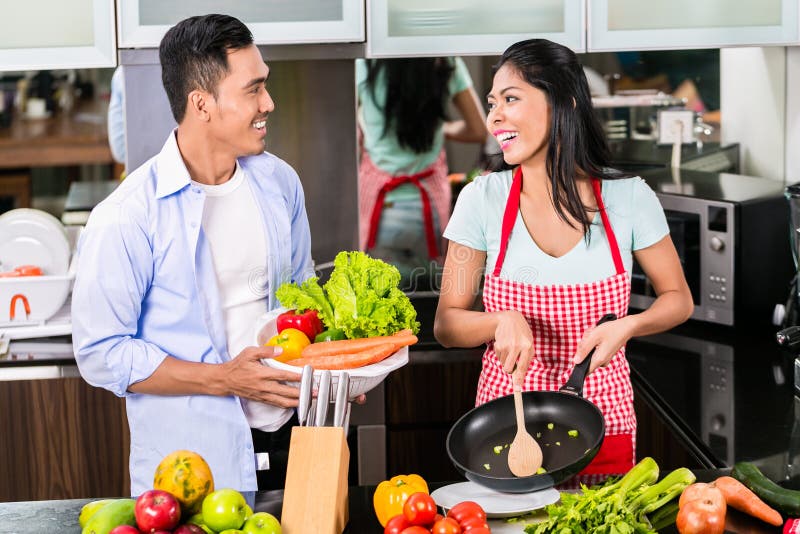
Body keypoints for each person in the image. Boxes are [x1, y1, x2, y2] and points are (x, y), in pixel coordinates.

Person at [72, 14, 314, 495]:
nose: (269, 103)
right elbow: (101, 352)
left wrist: (334, 368)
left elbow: (303, 299)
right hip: (191, 469)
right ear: (201, 104)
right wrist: (224, 379)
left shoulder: (280, 183)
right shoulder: (127, 216)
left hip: (297, 440)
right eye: (253, 90)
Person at [433, 39, 694, 476]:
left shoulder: (629, 199)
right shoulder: (482, 199)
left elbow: (677, 298)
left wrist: (630, 325)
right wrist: (498, 321)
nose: (494, 117)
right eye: (492, 103)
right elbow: (446, 325)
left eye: (511, 99)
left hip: (602, 420)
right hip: (507, 423)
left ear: (565, 103)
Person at [356, 57, 486, 289]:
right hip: (430, 212)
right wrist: (441, 129)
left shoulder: (365, 62)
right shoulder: (446, 62)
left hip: (381, 211)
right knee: (429, 301)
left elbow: (352, 135)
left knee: (379, 301)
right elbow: (478, 130)